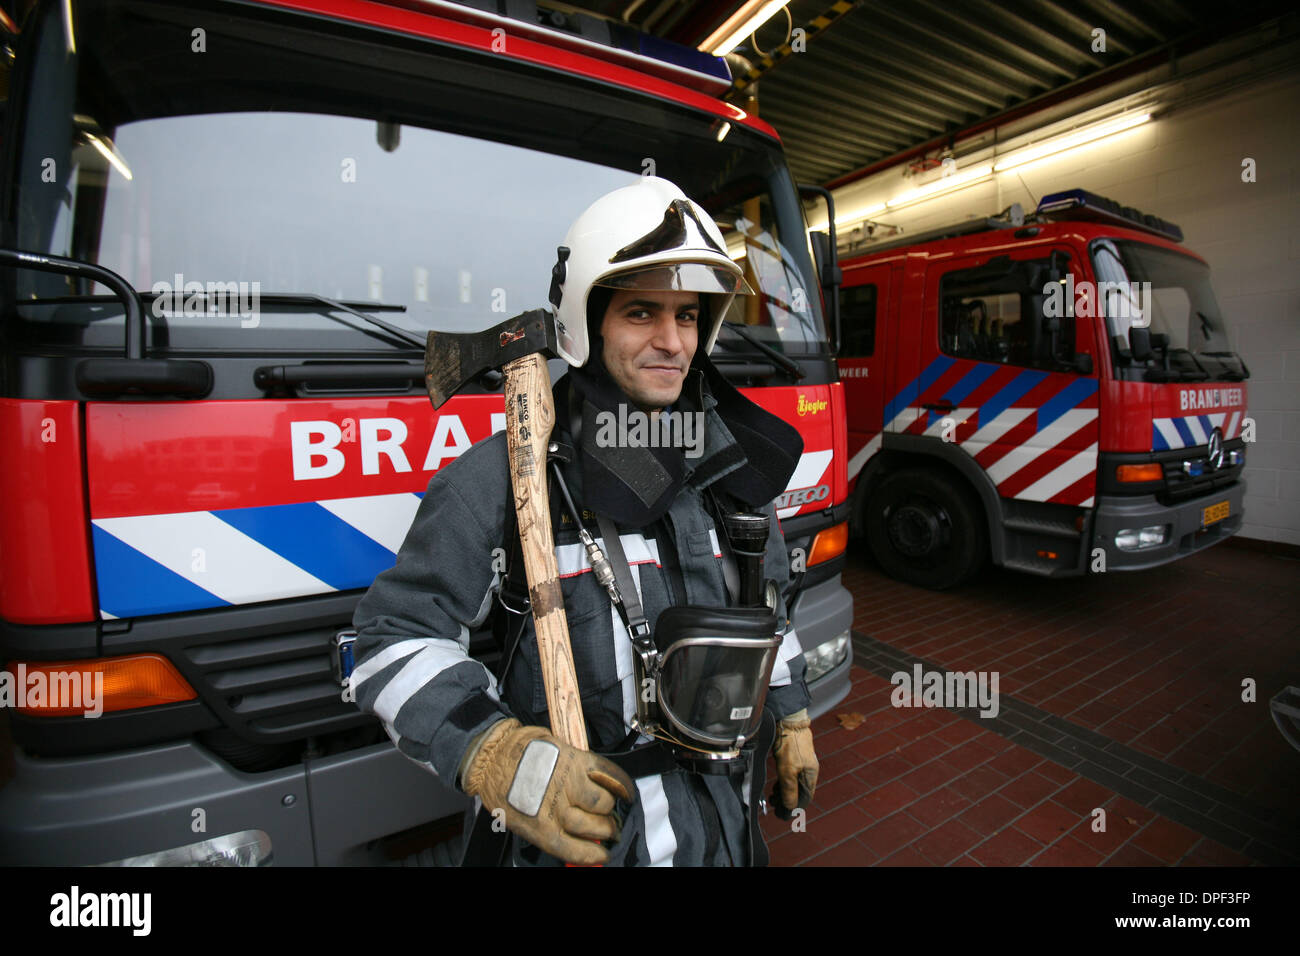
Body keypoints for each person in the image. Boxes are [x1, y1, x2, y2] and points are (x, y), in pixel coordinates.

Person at [349, 176, 819, 866]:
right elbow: (389, 640)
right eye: (641, 313)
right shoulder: (506, 481)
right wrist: (494, 753)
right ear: (588, 320)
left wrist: (791, 712)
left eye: (687, 316)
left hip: (726, 833)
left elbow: (769, 605)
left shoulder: (730, 467)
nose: (671, 341)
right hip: (583, 845)